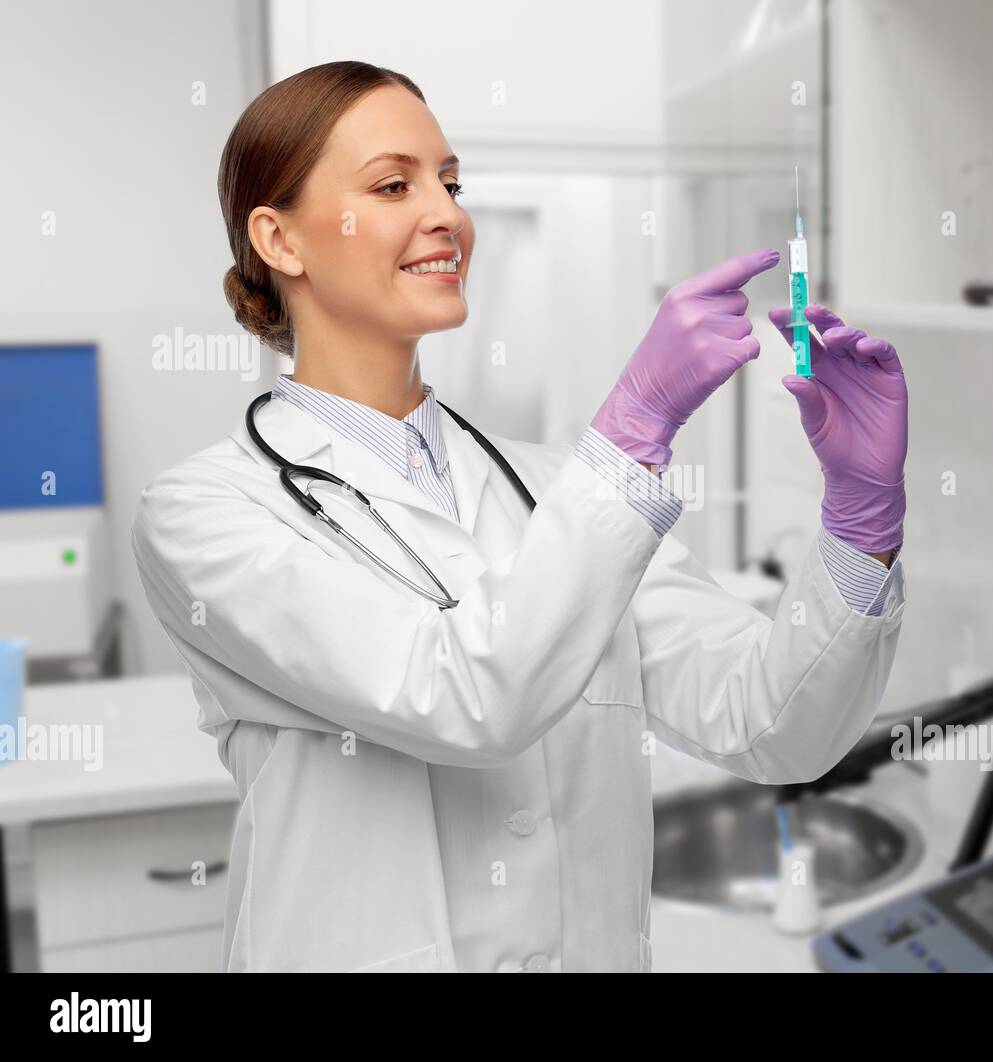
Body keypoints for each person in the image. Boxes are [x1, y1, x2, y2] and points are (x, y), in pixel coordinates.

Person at [130, 60, 908, 973]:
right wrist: (636, 427)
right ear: (282, 239)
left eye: (451, 183)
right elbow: (467, 698)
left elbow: (775, 727)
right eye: (394, 185)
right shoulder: (205, 515)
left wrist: (862, 521)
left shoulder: (557, 491)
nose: (448, 215)